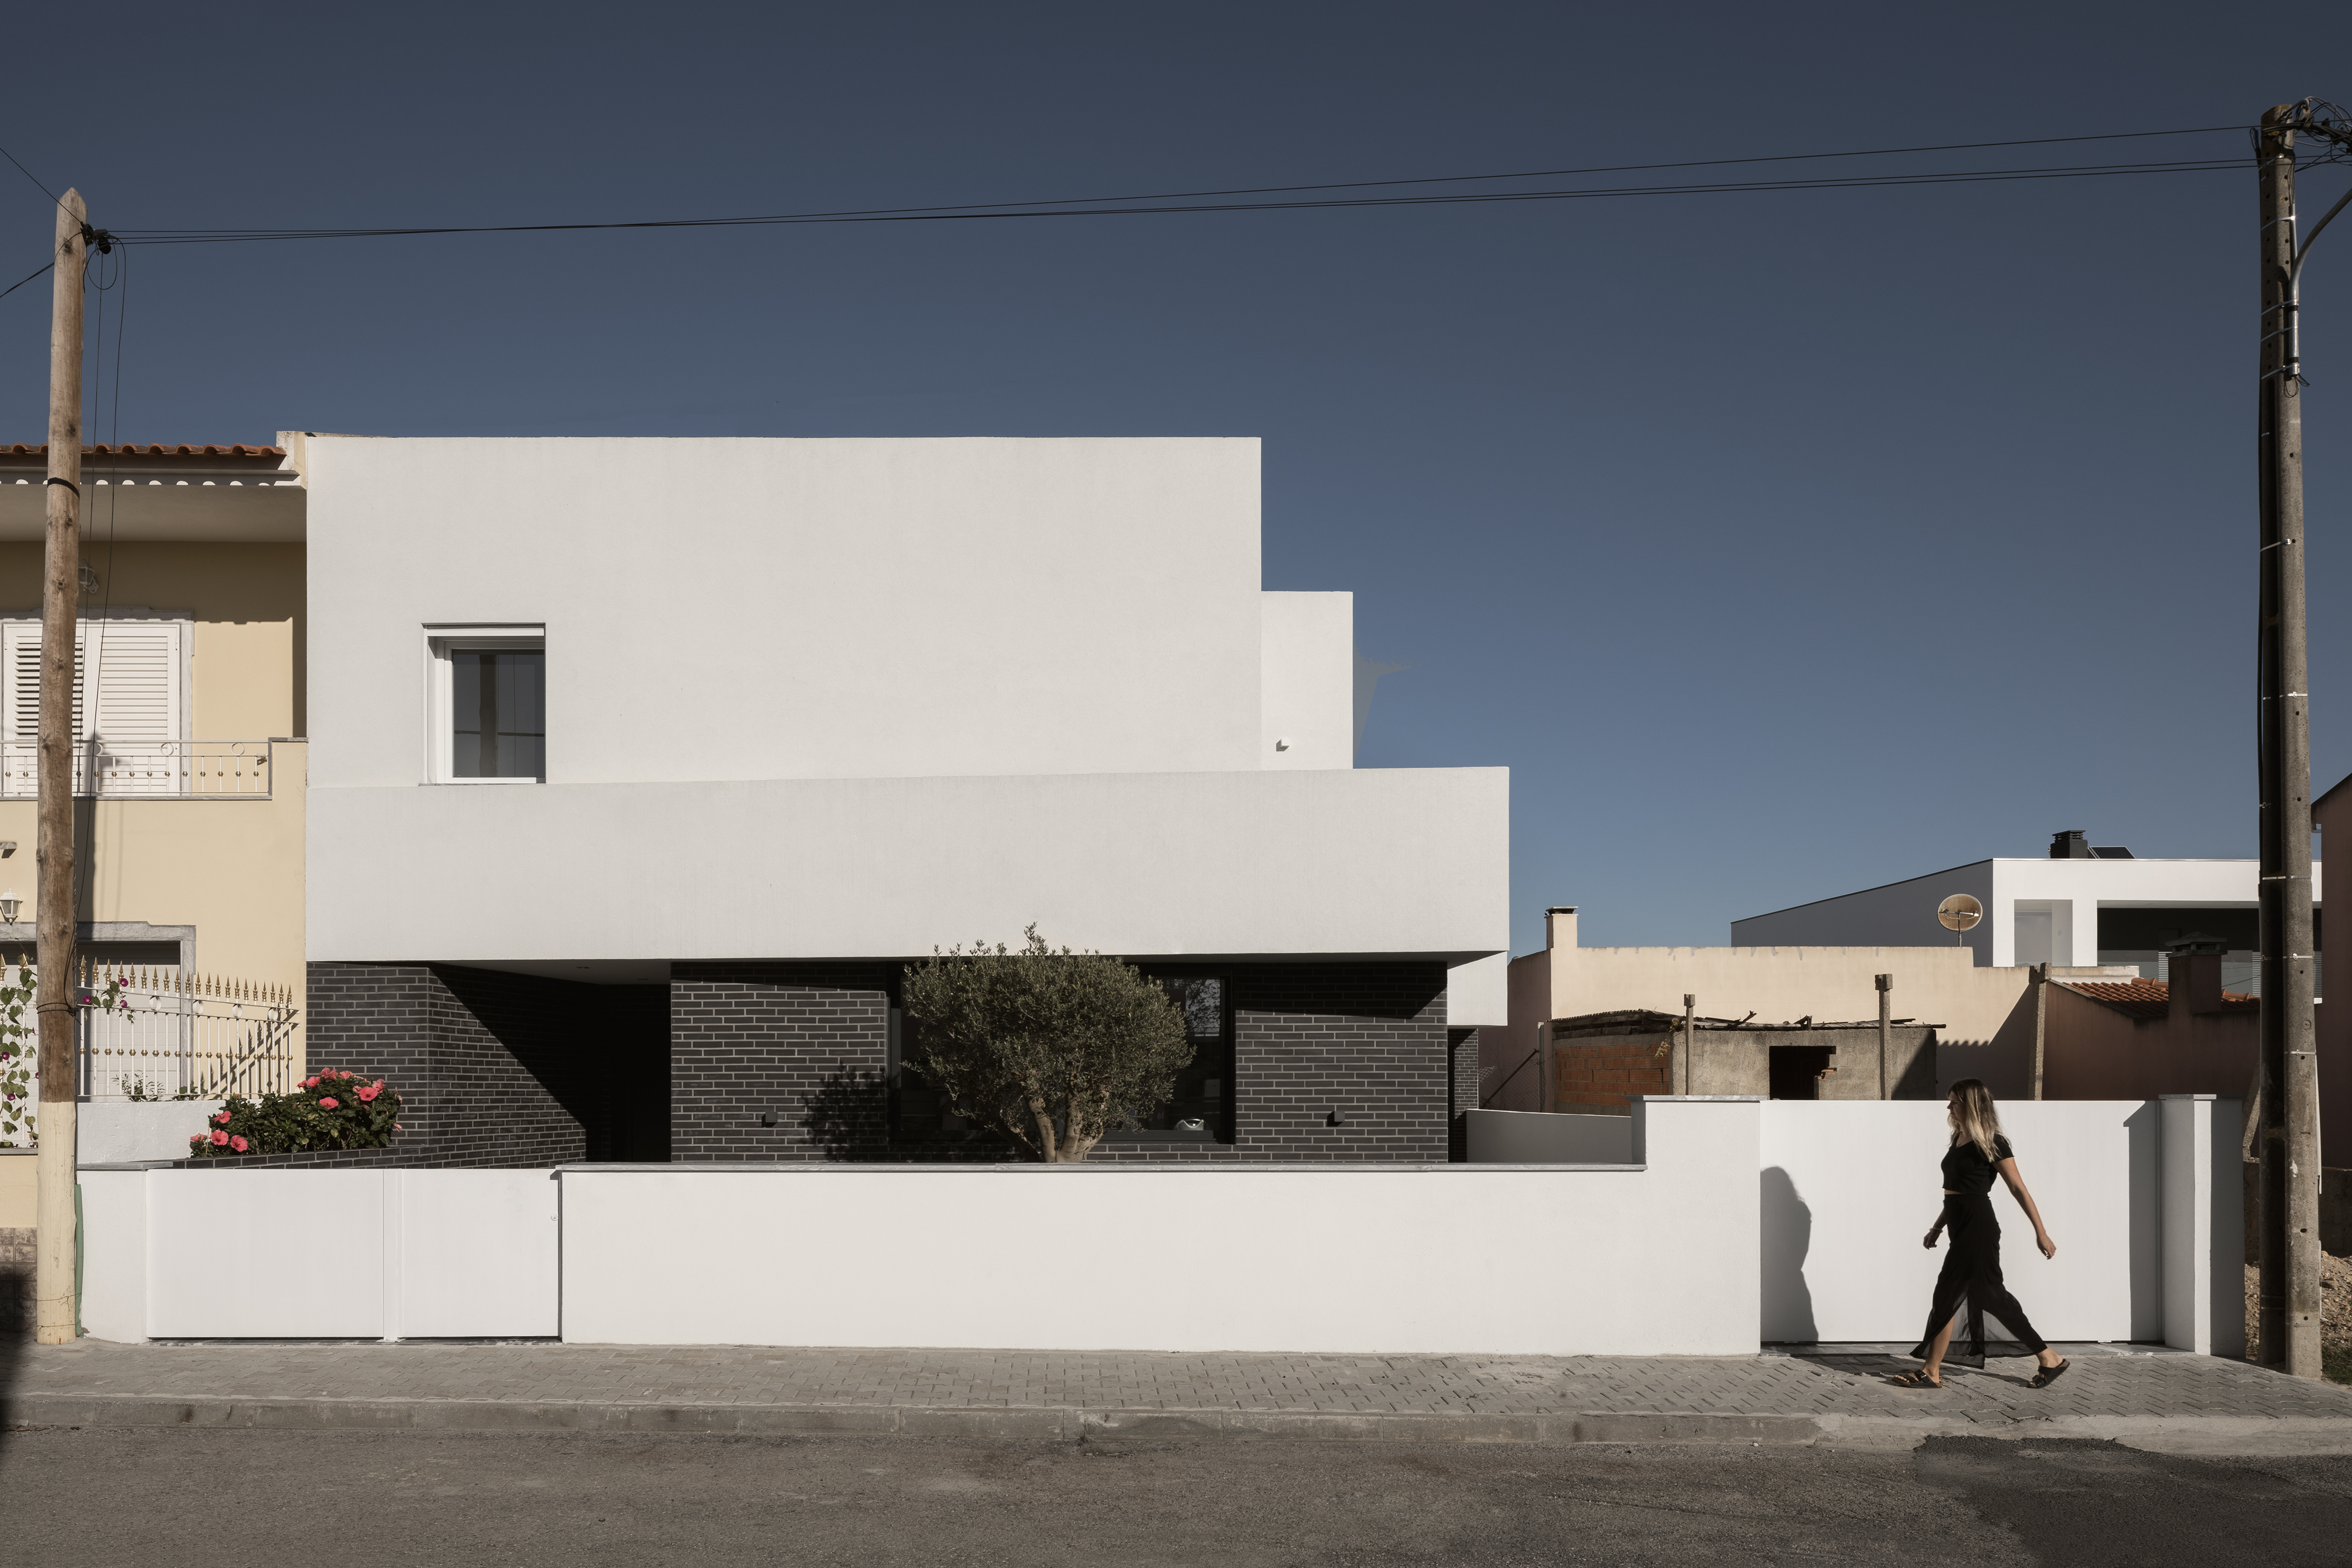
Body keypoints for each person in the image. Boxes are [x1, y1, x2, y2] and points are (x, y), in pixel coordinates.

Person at [1887, 1079, 2069, 1390]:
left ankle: (1932, 1371)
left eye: (1954, 1101)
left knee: (1961, 1294)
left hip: (1979, 1228)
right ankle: (2048, 1358)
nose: (1948, 1107)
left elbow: (2017, 1188)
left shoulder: (1993, 1141)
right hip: (1960, 1227)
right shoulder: (1959, 1137)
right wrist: (1938, 1226)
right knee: (1986, 1296)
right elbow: (1956, 1192)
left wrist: (2042, 1233)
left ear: (1971, 1105)